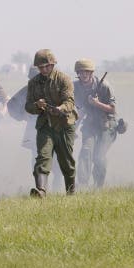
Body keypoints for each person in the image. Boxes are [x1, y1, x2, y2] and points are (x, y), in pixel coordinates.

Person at [25, 49, 78, 196]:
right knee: (43, 157)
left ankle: (71, 193)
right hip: (45, 125)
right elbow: (28, 106)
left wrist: (60, 108)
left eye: (46, 66)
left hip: (64, 124)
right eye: (40, 67)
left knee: (66, 161)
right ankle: (41, 191)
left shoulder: (63, 79)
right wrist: (37, 105)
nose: (43, 69)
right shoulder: (33, 83)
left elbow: (70, 102)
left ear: (53, 64)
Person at [73, 59, 117, 188]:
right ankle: (82, 184)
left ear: (92, 73)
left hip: (107, 124)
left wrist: (97, 104)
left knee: (99, 156)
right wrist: (73, 129)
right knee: (86, 151)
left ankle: (98, 185)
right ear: (77, 73)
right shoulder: (75, 87)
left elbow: (113, 109)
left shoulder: (104, 86)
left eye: (87, 72)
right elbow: (79, 111)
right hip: (90, 124)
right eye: (81, 72)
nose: (84, 74)